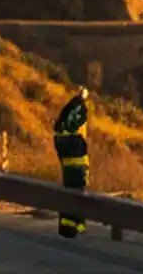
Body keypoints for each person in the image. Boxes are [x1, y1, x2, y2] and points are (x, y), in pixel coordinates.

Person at [53, 87, 90, 238]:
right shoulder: (78, 111)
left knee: (71, 185)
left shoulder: (67, 114)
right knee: (77, 185)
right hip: (74, 150)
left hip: (67, 148)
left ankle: (70, 225)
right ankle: (74, 226)